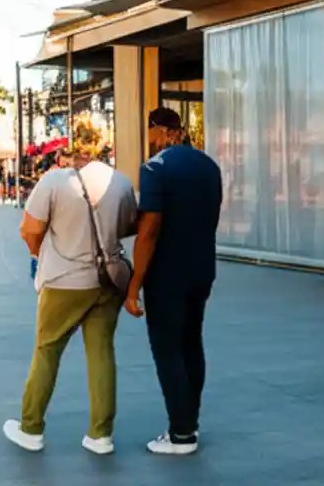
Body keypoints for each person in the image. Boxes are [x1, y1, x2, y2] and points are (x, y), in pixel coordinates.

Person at [3, 116, 138, 457]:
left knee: (47, 351)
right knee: (102, 353)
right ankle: (101, 434)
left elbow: (29, 228)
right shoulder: (120, 183)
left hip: (64, 281)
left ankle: (31, 428)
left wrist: (38, 252)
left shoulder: (54, 181)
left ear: (71, 144)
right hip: (107, 280)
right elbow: (127, 227)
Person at [125, 107, 223, 456]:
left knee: (167, 350)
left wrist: (134, 285)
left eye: (150, 131)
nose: (149, 139)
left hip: (167, 275)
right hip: (201, 270)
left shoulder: (155, 167)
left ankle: (180, 434)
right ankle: (189, 423)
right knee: (191, 344)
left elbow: (149, 230)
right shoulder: (209, 166)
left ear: (160, 130)